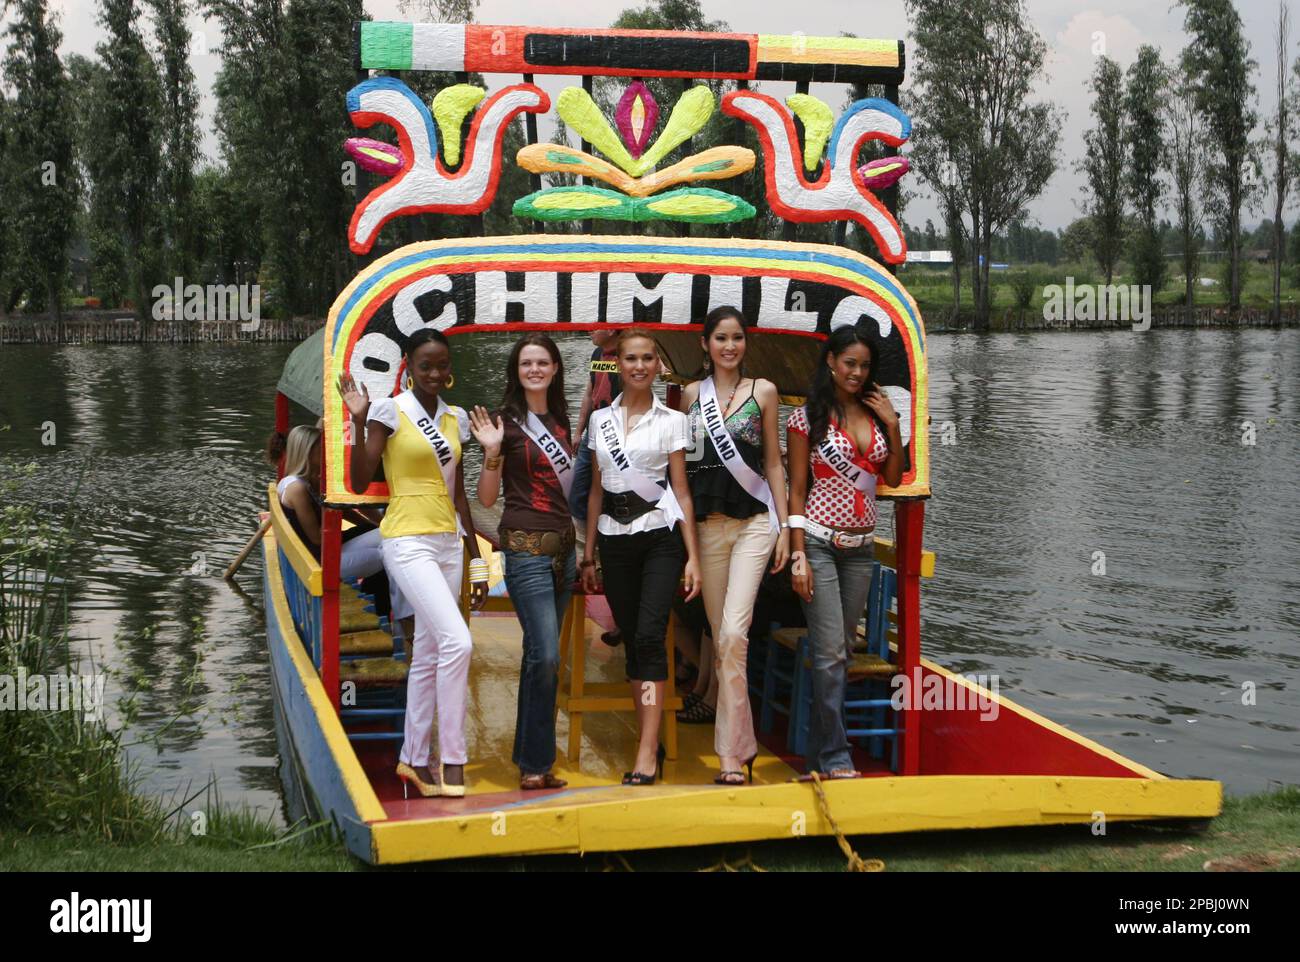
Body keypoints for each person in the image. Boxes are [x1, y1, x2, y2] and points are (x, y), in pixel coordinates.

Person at [336, 328, 487, 799]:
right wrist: (359, 421)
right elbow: (361, 482)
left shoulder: (456, 419)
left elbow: (459, 494)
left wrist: (476, 555)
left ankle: (413, 760)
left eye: (442, 365)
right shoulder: (389, 410)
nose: (436, 373)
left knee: (426, 654)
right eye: (426, 365)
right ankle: (454, 762)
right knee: (457, 642)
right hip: (405, 540)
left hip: (447, 542)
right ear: (408, 364)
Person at [580, 328, 702, 785]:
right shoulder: (599, 421)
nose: (639, 366)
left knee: (651, 635)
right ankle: (651, 736)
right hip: (614, 539)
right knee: (633, 638)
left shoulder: (673, 420)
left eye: (647, 358)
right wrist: (589, 552)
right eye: (630, 358)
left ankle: (646, 749)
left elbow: (682, 492)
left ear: (657, 365)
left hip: (659, 538)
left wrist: (692, 556)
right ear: (618, 363)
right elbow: (594, 491)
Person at [786, 325, 904, 779]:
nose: (856, 372)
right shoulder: (806, 418)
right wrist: (797, 554)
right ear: (831, 361)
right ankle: (837, 758)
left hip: (860, 549)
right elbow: (796, 490)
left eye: (864, 365)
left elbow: (890, 478)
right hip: (817, 542)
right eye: (849, 363)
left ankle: (817, 759)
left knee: (840, 653)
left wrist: (893, 426)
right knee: (832, 652)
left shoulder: (876, 415)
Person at [678, 306, 790, 784]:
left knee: (732, 636)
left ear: (747, 343)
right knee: (723, 643)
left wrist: (787, 526)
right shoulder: (688, 396)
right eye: (720, 338)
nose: (729, 346)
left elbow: (775, 462)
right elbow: (679, 472)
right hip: (707, 529)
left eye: (737, 338)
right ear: (706, 344)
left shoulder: (762, 392)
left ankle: (730, 754)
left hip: (754, 525)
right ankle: (741, 744)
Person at [470, 333, 575, 791]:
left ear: (555, 369)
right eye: (526, 363)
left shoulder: (565, 420)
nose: (534, 369)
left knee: (542, 658)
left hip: (565, 554)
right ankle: (534, 761)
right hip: (524, 552)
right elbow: (486, 497)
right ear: (517, 370)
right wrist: (492, 453)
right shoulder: (502, 422)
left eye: (542, 362)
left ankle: (532, 760)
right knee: (546, 654)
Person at [267, 424, 407, 625]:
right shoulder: (297, 488)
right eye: (319, 448)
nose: (325, 451)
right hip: (317, 564)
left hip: (325, 552)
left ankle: (383, 599)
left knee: (388, 534)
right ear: (307, 452)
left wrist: (373, 524)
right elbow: (316, 537)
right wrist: (329, 504)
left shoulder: (305, 481)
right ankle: (388, 612)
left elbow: (345, 511)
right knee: (389, 554)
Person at [569, 328, 623, 647]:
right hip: (593, 431)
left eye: (598, 321)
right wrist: (579, 431)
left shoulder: (627, 353)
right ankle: (584, 555)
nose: (590, 327)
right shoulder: (597, 355)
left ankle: (599, 559)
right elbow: (590, 393)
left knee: (611, 499)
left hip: (617, 434)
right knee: (577, 495)